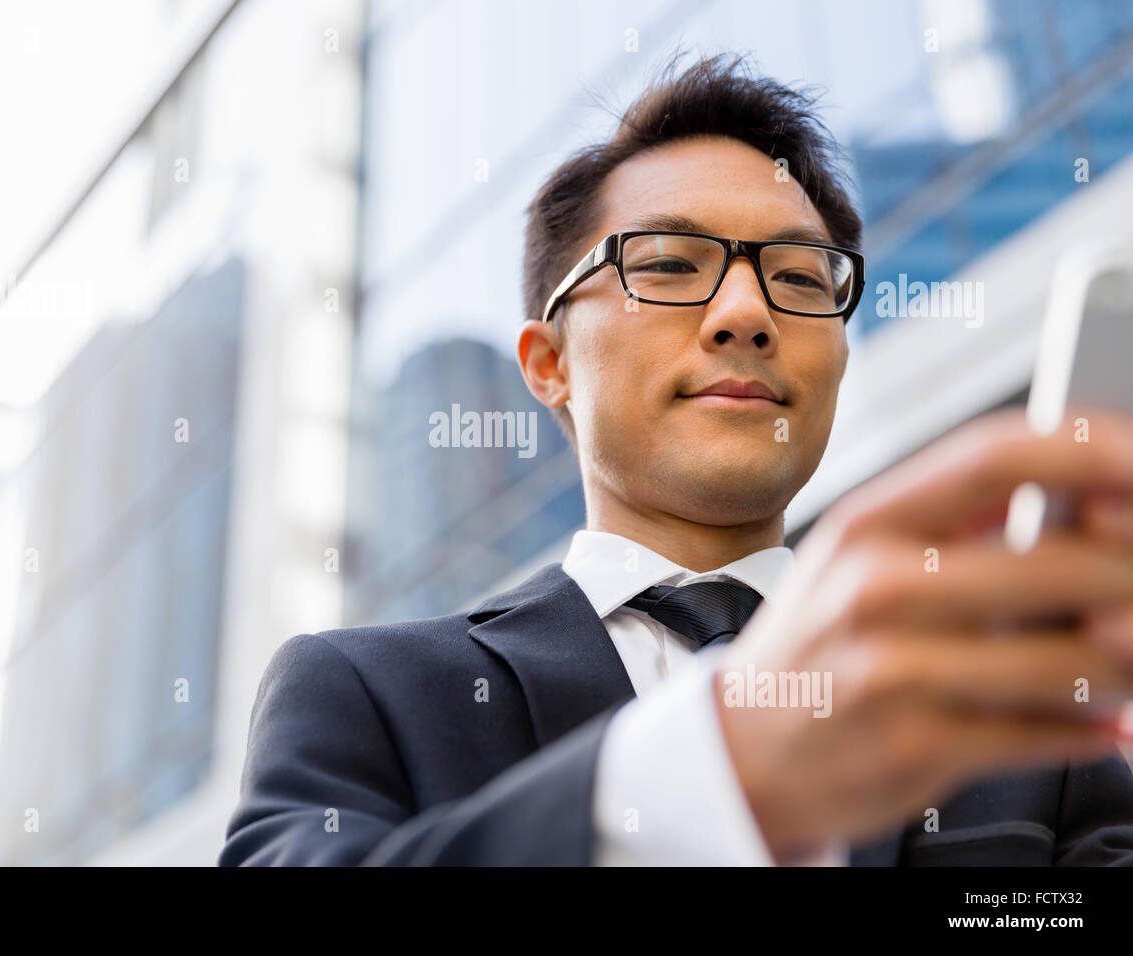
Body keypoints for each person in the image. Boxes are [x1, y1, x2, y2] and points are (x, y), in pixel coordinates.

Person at [218, 52, 1133, 866]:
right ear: (549, 365)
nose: (748, 313)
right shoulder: (366, 692)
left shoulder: (1025, 718)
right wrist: (722, 762)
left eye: (801, 278)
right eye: (666, 264)